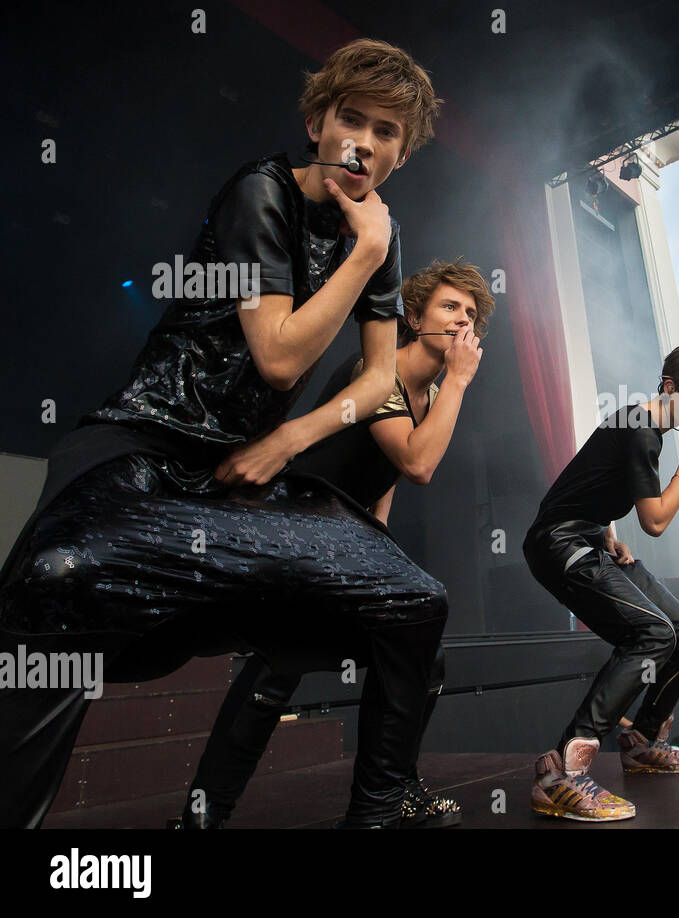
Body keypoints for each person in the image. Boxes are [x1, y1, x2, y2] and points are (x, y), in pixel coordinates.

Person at [0, 39, 445, 829]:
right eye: (350, 119)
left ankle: (380, 809)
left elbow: (379, 379)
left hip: (232, 479)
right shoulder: (261, 192)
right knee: (58, 575)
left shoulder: (382, 232)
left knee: (413, 599)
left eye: (385, 133)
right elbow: (278, 355)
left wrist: (290, 441)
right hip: (141, 448)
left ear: (400, 154)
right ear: (317, 120)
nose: (362, 144)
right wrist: (365, 254)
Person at [180, 259, 491, 828]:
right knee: (277, 666)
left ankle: (392, 789)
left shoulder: (425, 395)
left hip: (341, 538)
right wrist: (461, 383)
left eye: (471, 315)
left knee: (417, 652)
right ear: (414, 315)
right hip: (296, 527)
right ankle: (202, 817)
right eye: (450, 307)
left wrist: (382, 548)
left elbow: (385, 483)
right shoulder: (378, 372)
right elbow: (418, 462)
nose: (461, 321)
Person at [523, 343, 679, 821]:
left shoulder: (640, 425)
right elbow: (656, 521)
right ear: (669, 387)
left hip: (590, 539)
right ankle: (560, 776)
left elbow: (589, 478)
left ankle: (643, 743)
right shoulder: (641, 427)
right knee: (653, 633)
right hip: (558, 544)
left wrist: (608, 532)